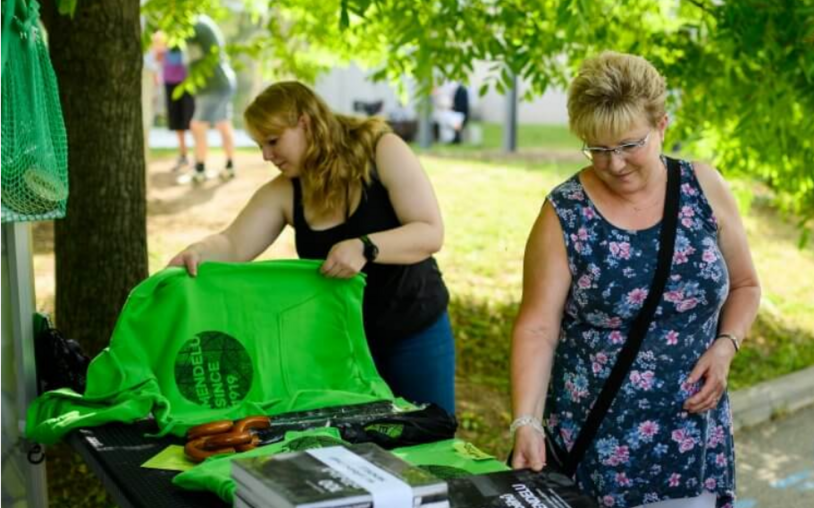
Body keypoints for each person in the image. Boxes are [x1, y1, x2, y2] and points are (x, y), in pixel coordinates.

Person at [509, 51, 761, 508]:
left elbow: (746, 285)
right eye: (598, 149)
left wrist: (727, 345)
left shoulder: (704, 187)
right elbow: (537, 327)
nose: (616, 164)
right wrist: (525, 422)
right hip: (597, 451)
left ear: (662, 125)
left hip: (691, 446)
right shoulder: (565, 212)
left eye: (629, 145)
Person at [168, 81, 456, 415]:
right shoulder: (285, 191)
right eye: (260, 145)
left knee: (433, 439)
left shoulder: (382, 149)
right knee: (360, 449)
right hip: (342, 343)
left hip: (414, 328)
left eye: (273, 141)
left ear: (305, 123)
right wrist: (198, 252)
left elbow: (429, 232)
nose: (266, 155)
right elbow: (233, 243)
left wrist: (366, 247)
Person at [182, 14, 237, 183]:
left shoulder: (197, 24)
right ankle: (229, 166)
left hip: (213, 85)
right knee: (222, 123)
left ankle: (200, 169)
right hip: (220, 83)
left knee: (197, 125)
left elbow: (172, 38)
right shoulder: (200, 23)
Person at [160, 45, 195, 171]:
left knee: (192, 121)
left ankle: (197, 158)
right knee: (177, 121)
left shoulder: (184, 35)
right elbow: (157, 56)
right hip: (170, 82)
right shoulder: (163, 36)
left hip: (187, 82)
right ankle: (183, 155)